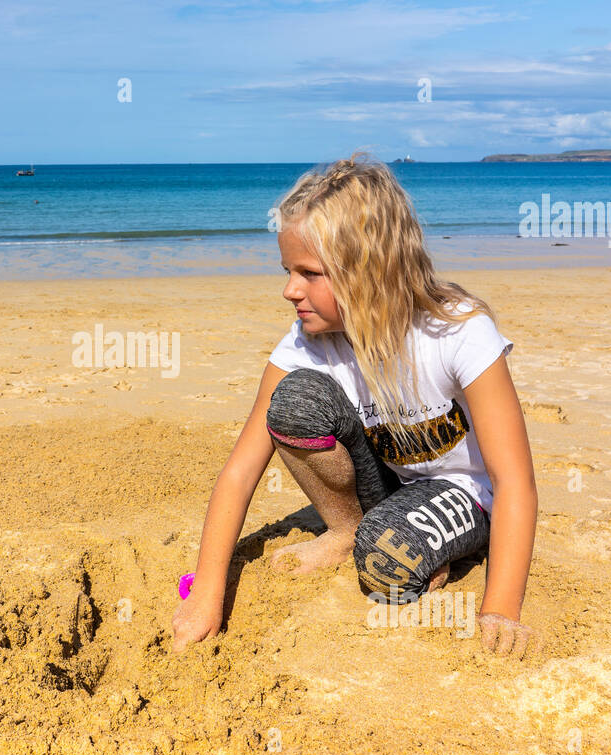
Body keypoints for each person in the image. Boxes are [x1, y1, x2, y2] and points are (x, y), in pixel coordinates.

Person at [170, 154, 540, 659]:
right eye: (287, 270)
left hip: (465, 491)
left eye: (309, 273)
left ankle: (440, 543)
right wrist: (208, 596)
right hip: (385, 480)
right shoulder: (308, 344)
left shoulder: (458, 332)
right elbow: (239, 471)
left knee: (387, 559)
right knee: (294, 403)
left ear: (371, 271)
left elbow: (515, 478)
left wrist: (501, 607)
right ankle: (345, 530)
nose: (289, 290)